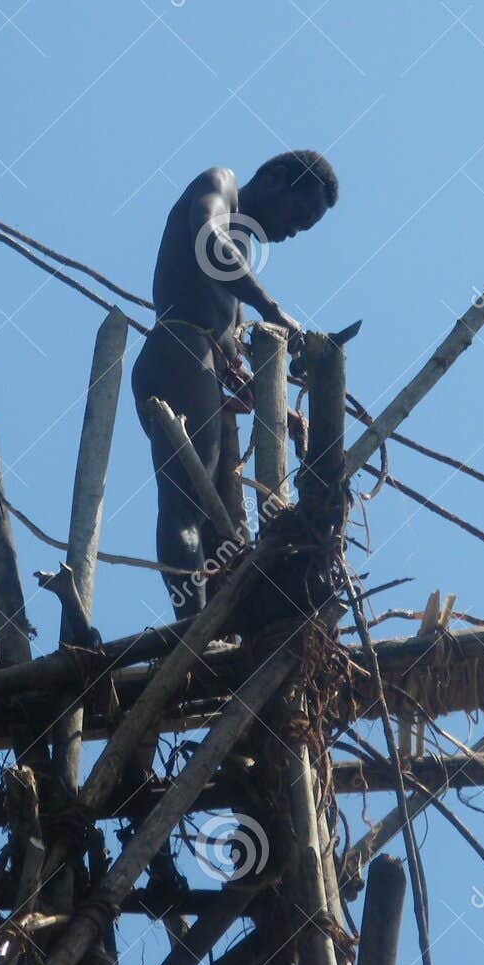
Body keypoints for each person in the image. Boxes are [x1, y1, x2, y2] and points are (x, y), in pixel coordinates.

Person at [130, 151, 338, 619]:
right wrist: (272, 308)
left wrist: (270, 402)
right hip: (181, 348)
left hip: (195, 363)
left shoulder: (238, 262)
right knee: (186, 501)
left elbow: (231, 363)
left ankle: (215, 626)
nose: (291, 231)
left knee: (217, 531)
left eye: (304, 229)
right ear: (276, 178)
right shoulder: (220, 182)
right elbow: (208, 241)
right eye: (297, 214)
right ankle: (191, 635)